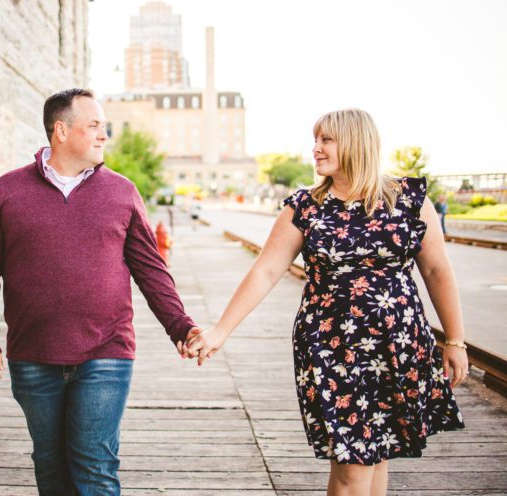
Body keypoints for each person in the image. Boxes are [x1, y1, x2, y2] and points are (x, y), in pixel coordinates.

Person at [186, 109, 467, 496]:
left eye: (326, 140)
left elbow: (437, 270)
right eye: (315, 140)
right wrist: (221, 330)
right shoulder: (306, 206)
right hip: (333, 347)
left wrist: (455, 340)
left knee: (377, 454)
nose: (315, 148)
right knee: (353, 465)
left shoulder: (409, 200)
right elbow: (266, 271)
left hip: (397, 345)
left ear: (355, 142)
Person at [0, 88, 200, 495]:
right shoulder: (7, 191)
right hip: (33, 353)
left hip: (106, 352)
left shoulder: (121, 192)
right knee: (50, 465)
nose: (103, 135)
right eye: (94, 126)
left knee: (95, 465)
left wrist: (180, 326)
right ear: (61, 130)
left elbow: (150, 268)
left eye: (103, 127)